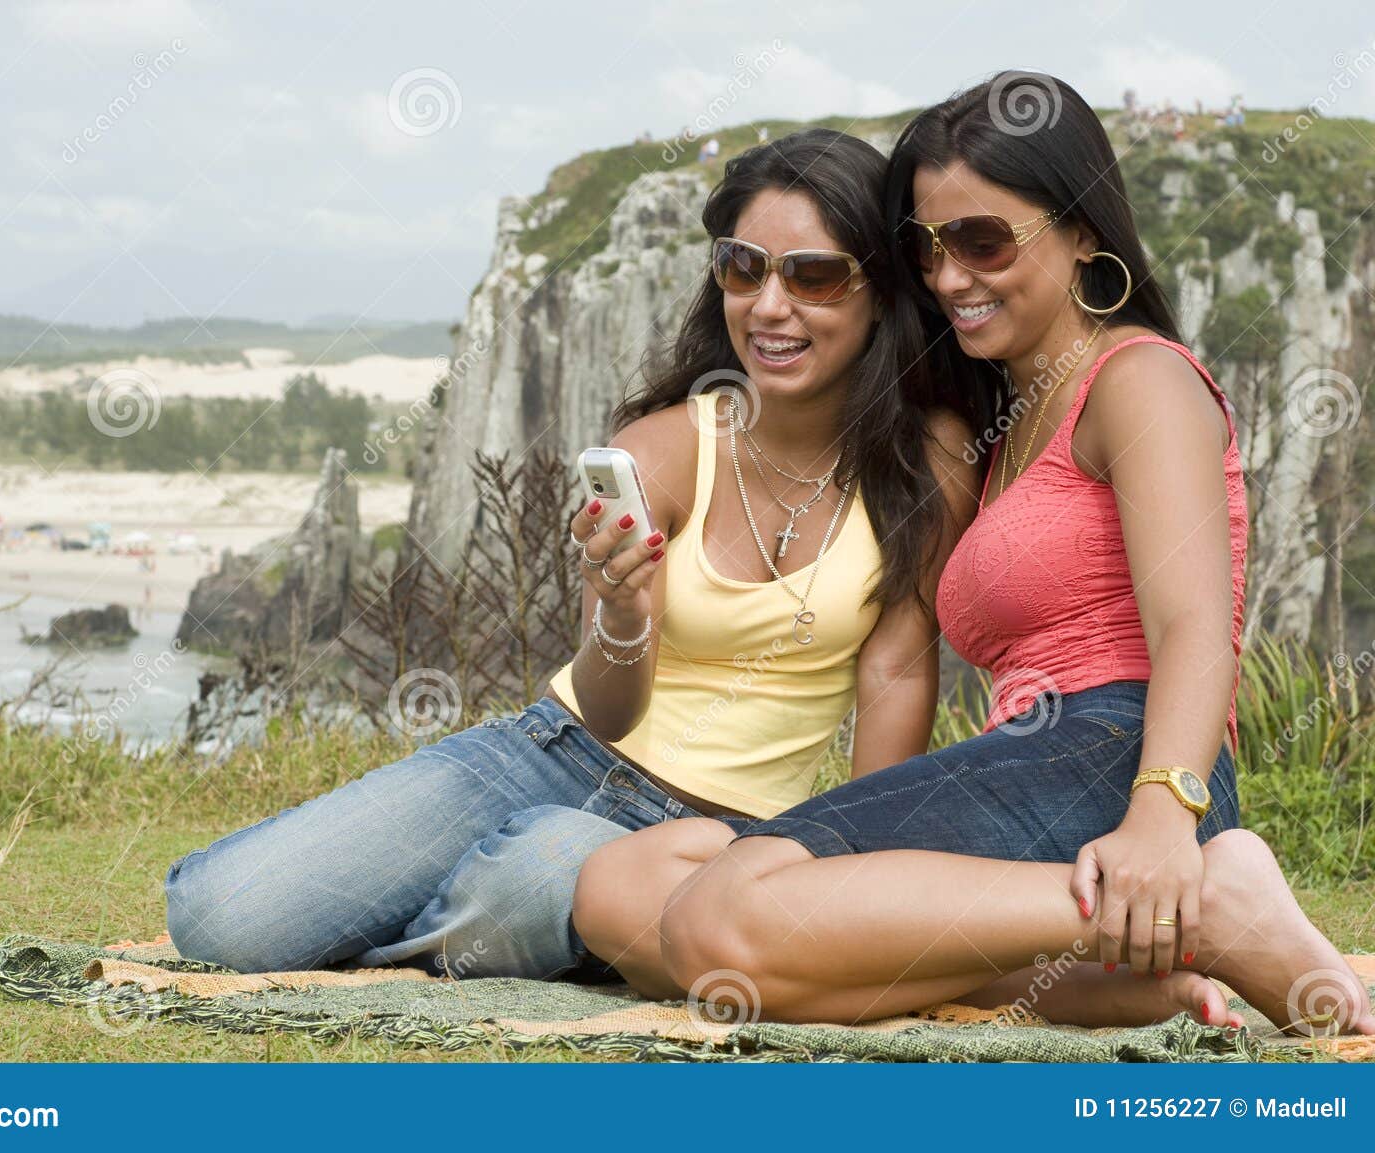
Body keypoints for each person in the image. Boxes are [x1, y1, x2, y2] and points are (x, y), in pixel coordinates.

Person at [572, 72, 1375, 1037]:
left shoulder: (1141, 381)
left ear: (1083, 235)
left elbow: (1198, 625)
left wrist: (1164, 815)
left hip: (1121, 751)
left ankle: (1201, 900)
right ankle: (1110, 970)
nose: (951, 276)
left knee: (717, 921)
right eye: (928, 247)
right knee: (619, 888)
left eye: (984, 241)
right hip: (1033, 759)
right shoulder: (1005, 422)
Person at [163, 128, 982, 979]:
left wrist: (855, 863)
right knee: (219, 918)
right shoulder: (660, 450)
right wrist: (623, 612)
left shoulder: (931, 461)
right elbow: (609, 711)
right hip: (555, 753)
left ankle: (457, 919)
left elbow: (895, 675)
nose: (769, 306)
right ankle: (475, 927)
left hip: (725, 839)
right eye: (743, 268)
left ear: (882, 292)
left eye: (813, 276)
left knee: (542, 866)